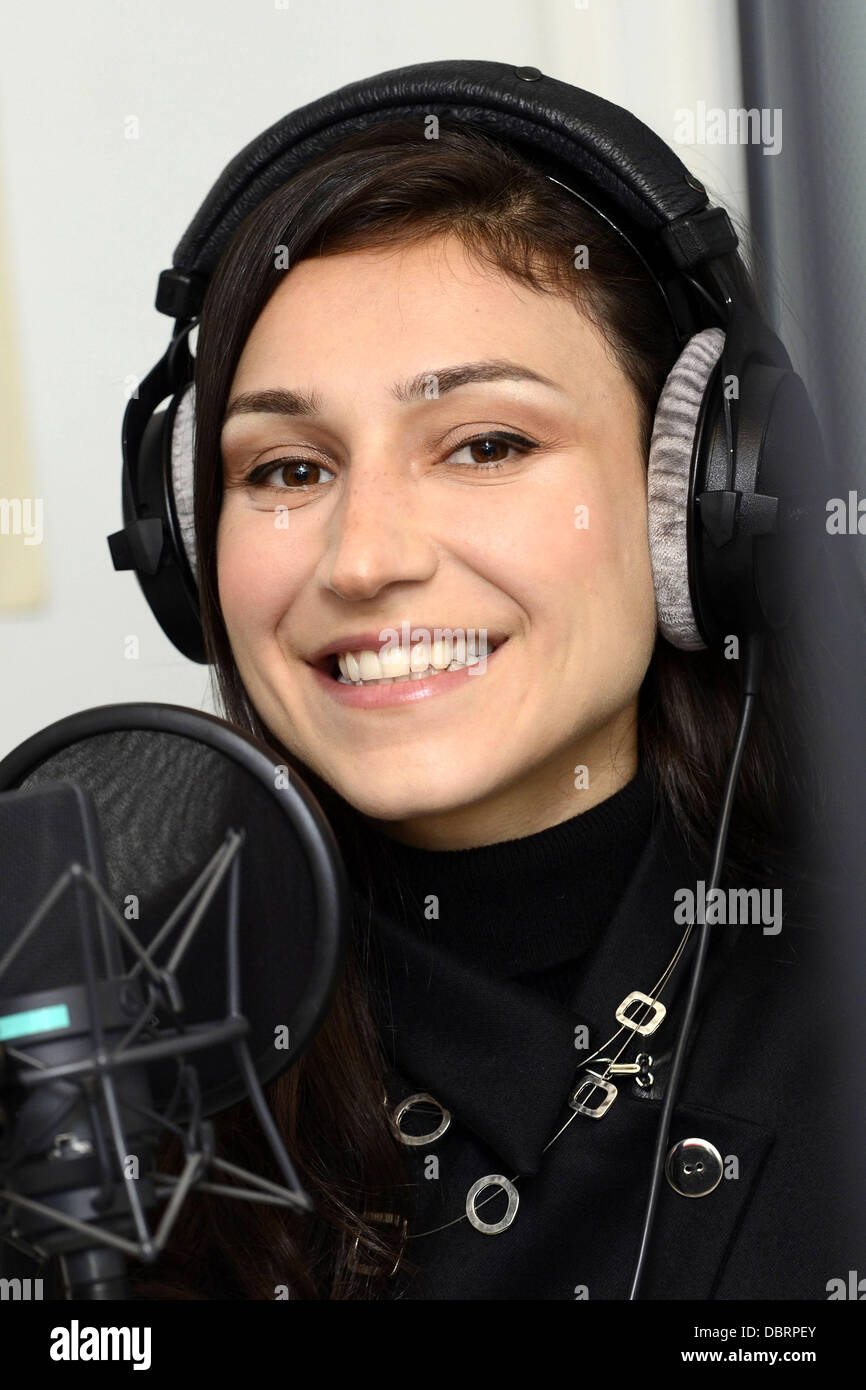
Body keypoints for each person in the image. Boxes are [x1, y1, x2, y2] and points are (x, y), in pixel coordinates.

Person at [127, 114, 859, 1301]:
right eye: (287, 469)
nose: (362, 559)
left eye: (483, 444)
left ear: (695, 503)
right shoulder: (94, 1056)